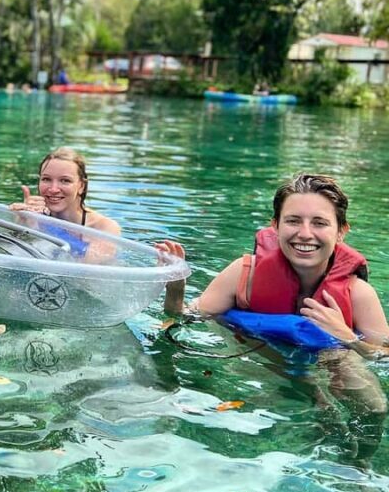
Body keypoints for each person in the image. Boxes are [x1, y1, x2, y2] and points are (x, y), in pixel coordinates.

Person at [161, 173, 388, 455]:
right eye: (293, 220)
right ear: (275, 225)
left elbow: (383, 355)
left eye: (319, 223)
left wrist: (347, 338)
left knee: (375, 407)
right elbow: (183, 318)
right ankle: (316, 407)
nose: (305, 233)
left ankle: (360, 464)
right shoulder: (244, 274)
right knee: (306, 401)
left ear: (341, 231)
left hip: (331, 356)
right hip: (259, 353)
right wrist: (175, 287)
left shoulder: (358, 293)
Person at [9, 147, 121, 236]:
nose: (53, 189)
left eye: (65, 181)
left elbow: (82, 264)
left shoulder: (104, 228)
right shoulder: (32, 218)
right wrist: (24, 227)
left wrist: (44, 230)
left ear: (81, 186)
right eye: (46, 179)